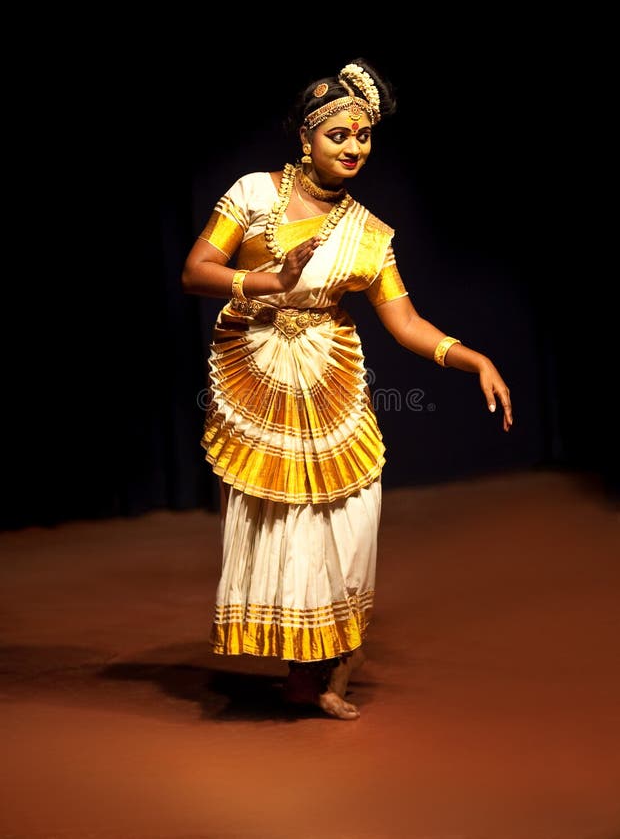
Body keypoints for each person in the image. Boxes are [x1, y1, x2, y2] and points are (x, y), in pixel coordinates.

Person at [181, 58, 513, 721]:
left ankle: (338, 651)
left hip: (333, 381)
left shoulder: (369, 234)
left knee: (349, 516)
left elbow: (406, 322)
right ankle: (303, 669)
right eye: (339, 136)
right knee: (284, 521)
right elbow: (197, 270)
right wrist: (268, 283)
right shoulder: (251, 195)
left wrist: (472, 358)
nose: (354, 147)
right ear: (306, 138)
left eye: (363, 137)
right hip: (261, 375)